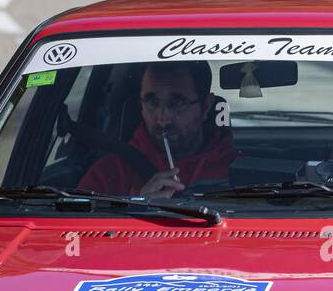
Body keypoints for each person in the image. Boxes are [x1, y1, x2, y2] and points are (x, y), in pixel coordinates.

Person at [79, 61, 235, 198]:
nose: (162, 119)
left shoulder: (237, 168)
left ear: (206, 106)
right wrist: (135, 212)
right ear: (140, 105)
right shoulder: (107, 175)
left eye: (177, 102)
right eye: (152, 101)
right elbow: (76, 229)